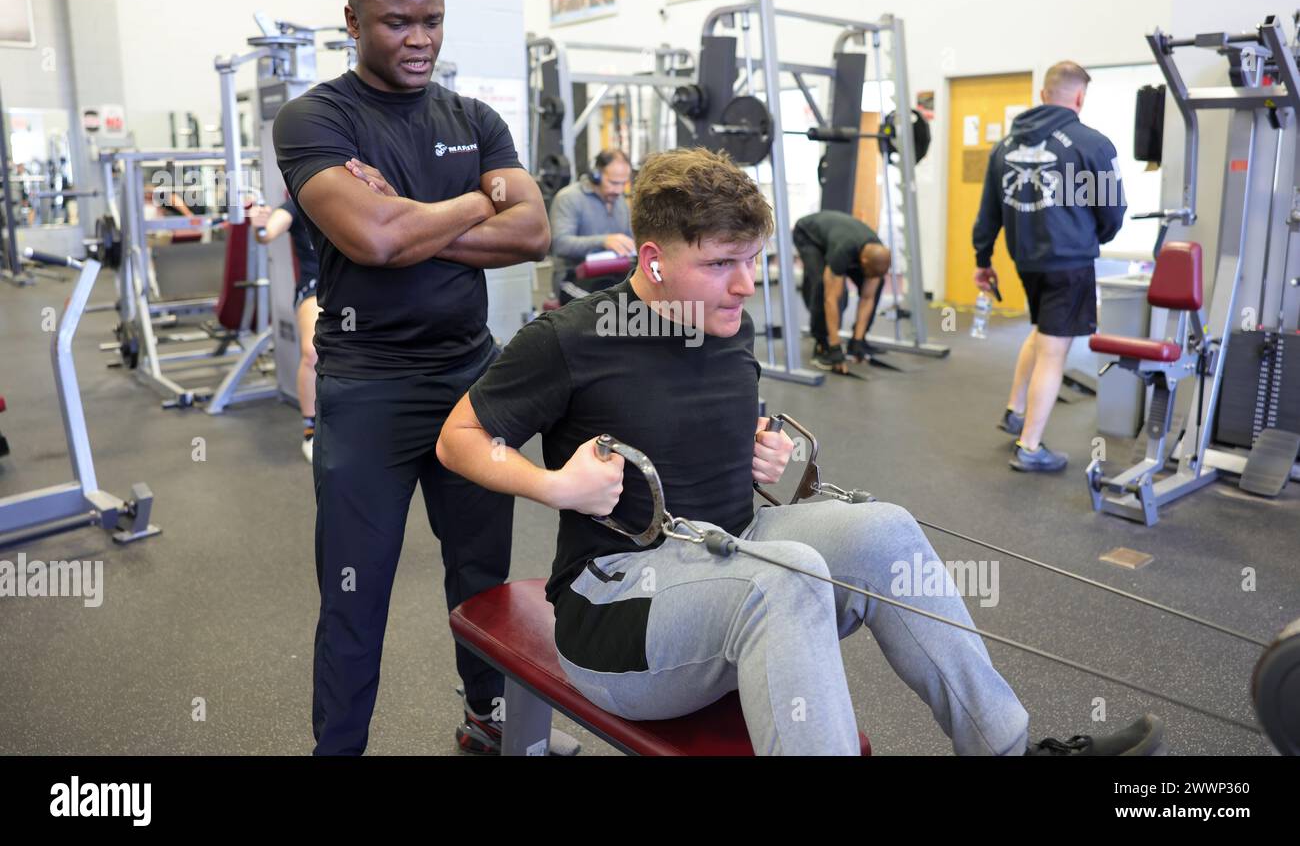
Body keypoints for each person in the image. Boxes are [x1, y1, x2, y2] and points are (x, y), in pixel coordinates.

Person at [437, 147, 1162, 756]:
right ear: (652, 261)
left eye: (753, 259)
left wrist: (757, 449)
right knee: (787, 577)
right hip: (618, 605)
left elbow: (709, 426)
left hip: (733, 547)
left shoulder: (729, 325)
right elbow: (458, 439)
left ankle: (1004, 749)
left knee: (885, 530)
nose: (746, 284)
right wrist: (554, 485)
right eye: (722, 263)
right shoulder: (568, 339)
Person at [272, 0, 554, 756]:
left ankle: (488, 716)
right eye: (398, 22)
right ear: (353, 20)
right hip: (367, 385)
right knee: (355, 589)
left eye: (432, 20)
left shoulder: (475, 119)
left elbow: (532, 230)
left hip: (471, 378)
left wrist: (411, 218)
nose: (420, 38)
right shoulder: (315, 119)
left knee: (484, 575)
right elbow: (372, 238)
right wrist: (472, 202)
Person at [973, 61, 1127, 473]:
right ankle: (1030, 446)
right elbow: (1112, 210)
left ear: (1044, 94)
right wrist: (1094, 237)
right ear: (1079, 97)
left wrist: (982, 260)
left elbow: (988, 212)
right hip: (1069, 261)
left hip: (1027, 259)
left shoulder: (1004, 146)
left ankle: (1016, 410)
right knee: (1055, 350)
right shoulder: (1094, 145)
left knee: (1043, 332)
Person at [247, 200, 321, 463]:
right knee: (312, 351)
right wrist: (260, 227)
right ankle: (311, 431)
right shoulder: (297, 205)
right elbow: (266, 234)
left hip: (357, 287)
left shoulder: (353, 197)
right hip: (316, 288)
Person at [792, 209, 892, 373]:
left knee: (877, 284)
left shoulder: (877, 251)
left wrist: (857, 338)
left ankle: (858, 342)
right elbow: (831, 299)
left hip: (839, 238)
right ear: (863, 261)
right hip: (808, 235)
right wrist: (835, 345)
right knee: (823, 285)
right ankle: (823, 344)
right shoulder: (843, 251)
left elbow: (868, 297)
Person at [548, 148, 634, 295]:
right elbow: (560, 244)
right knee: (603, 303)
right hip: (573, 277)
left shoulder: (620, 201)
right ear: (596, 175)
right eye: (613, 183)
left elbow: (629, 241)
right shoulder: (568, 198)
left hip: (612, 275)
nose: (619, 190)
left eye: (623, 184)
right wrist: (603, 241)